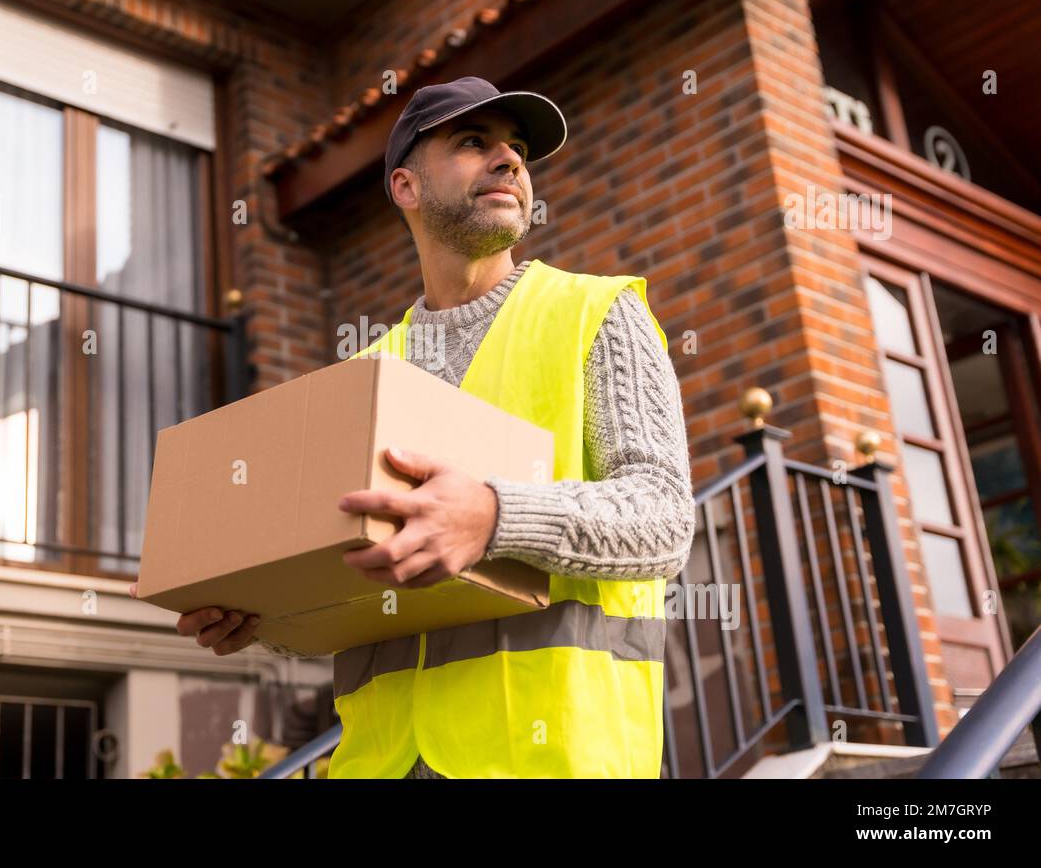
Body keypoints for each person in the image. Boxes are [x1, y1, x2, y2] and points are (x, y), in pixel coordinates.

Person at [130, 76, 695, 778]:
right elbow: (346, 583)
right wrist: (260, 618)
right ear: (406, 187)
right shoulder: (367, 372)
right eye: (471, 142)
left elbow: (665, 517)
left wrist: (495, 515)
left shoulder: (596, 314)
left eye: (517, 149)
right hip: (383, 763)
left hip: (552, 758)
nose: (510, 161)